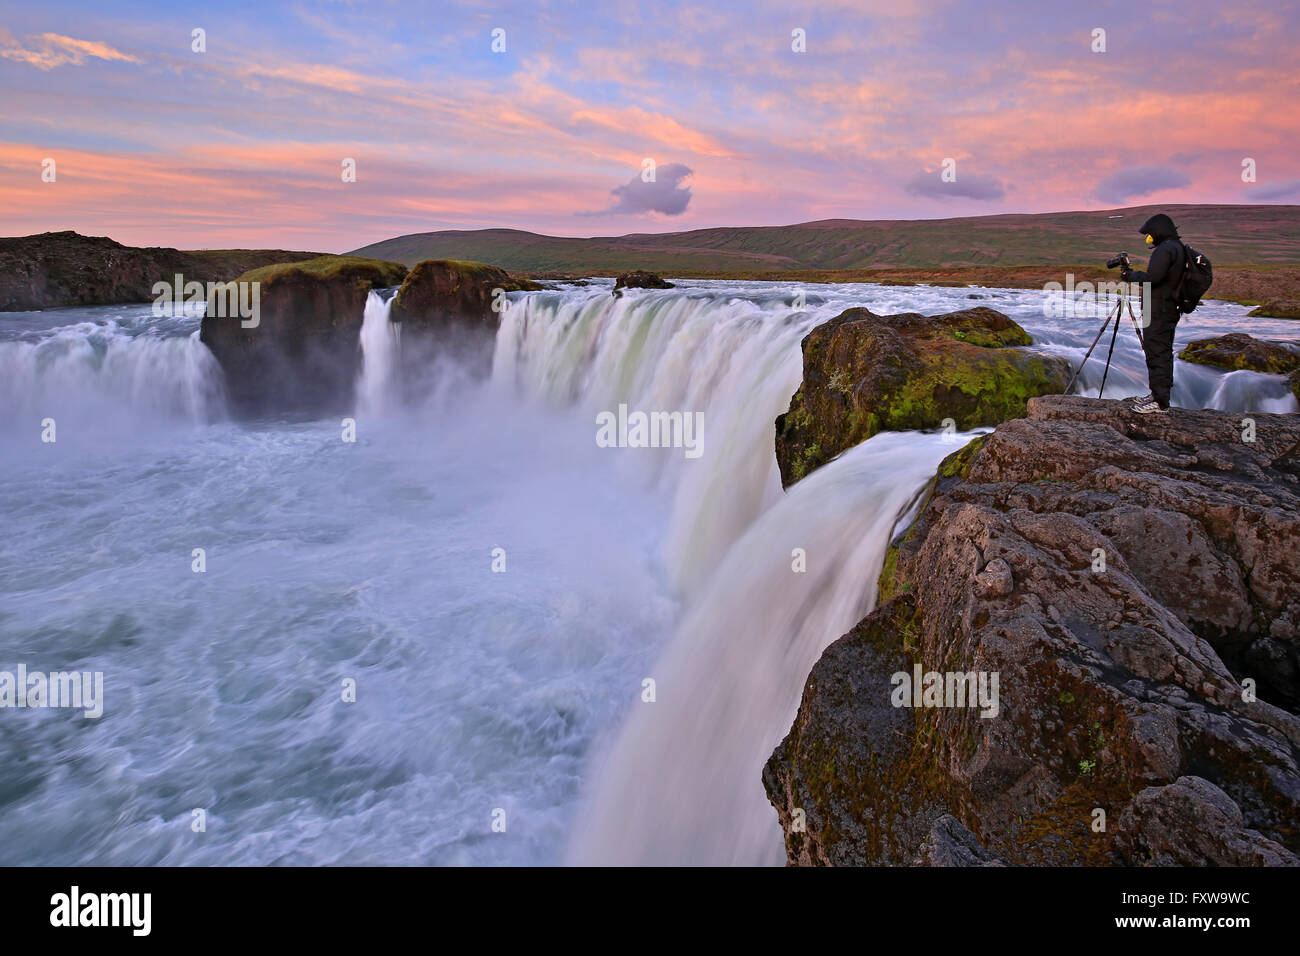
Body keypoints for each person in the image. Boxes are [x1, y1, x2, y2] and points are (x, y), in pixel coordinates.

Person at [1120, 213, 1186, 414]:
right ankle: (1158, 396)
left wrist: (1130, 276)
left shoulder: (1165, 250)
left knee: (1157, 352)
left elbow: (1153, 278)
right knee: (1161, 351)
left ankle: (1159, 402)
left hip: (1159, 310)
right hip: (1168, 308)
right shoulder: (1177, 249)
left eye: (1149, 233)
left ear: (1158, 232)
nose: (1148, 237)